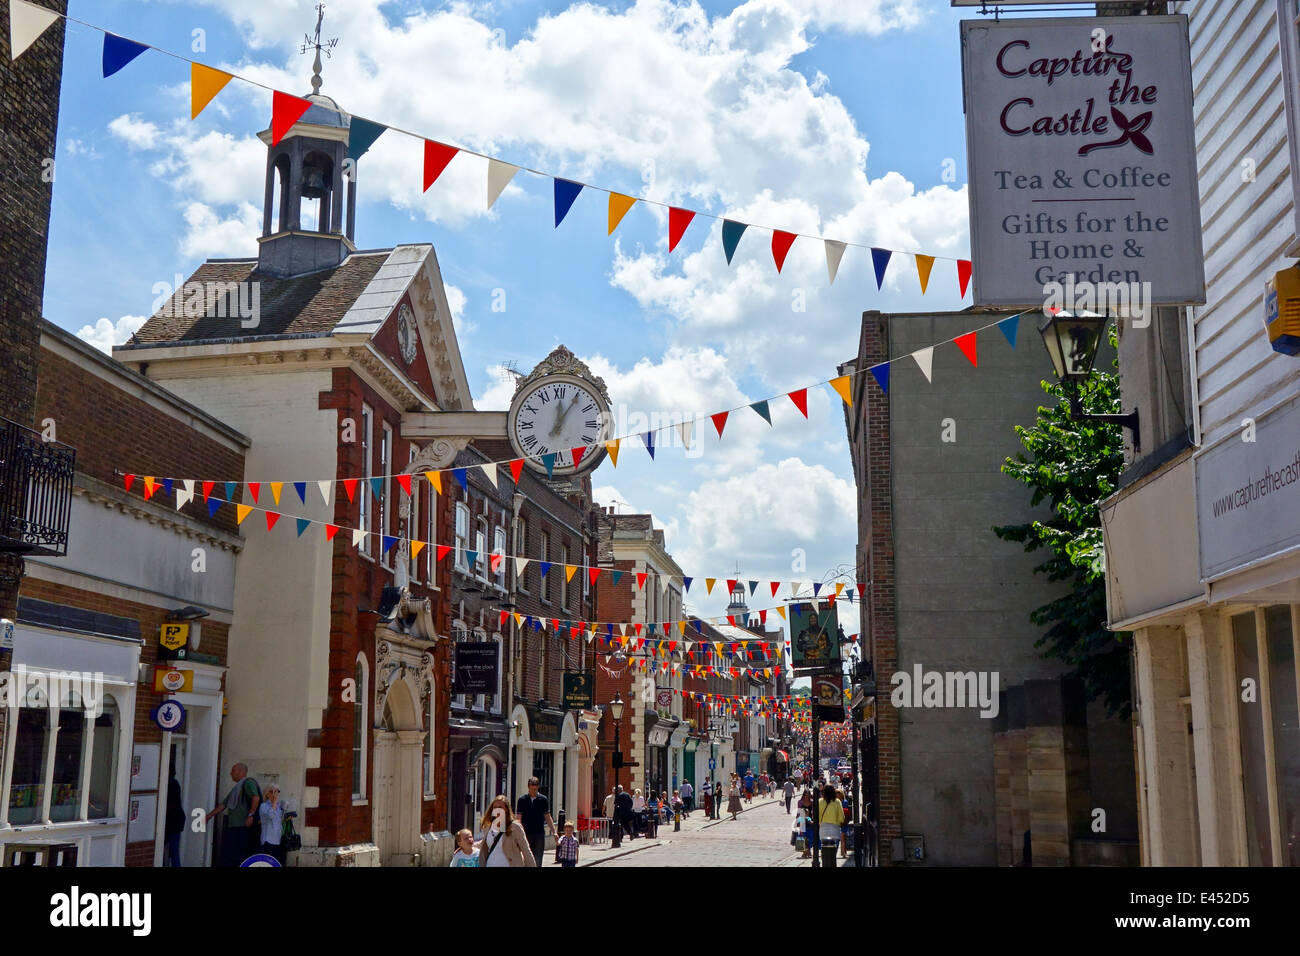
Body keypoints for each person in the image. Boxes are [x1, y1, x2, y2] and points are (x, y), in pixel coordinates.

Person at [205, 762, 261, 867]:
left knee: (240, 856)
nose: (231, 773)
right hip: (233, 827)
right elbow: (224, 804)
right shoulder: (237, 788)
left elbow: (256, 797)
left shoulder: (248, 783)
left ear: (241, 772)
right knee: (231, 856)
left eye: (233, 771)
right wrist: (209, 816)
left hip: (243, 827)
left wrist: (250, 815)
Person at [475, 795, 536, 867]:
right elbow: (485, 843)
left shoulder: (515, 827)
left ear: (506, 809)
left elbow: (526, 850)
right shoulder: (488, 826)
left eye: (500, 807)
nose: (497, 810)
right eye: (495, 807)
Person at [515, 776, 555, 868]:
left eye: (535, 789)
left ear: (538, 787)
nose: (533, 791)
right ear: (528, 787)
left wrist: (554, 832)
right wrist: (517, 833)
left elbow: (547, 816)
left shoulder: (543, 799)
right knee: (525, 859)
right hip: (526, 834)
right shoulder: (522, 800)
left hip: (539, 834)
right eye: (532, 789)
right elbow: (518, 818)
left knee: (537, 859)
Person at [257, 784, 296, 865]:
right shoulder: (263, 806)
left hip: (277, 839)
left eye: (277, 791)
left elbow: (278, 820)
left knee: (276, 863)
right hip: (267, 840)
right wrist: (274, 803)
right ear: (267, 794)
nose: (275, 794)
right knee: (267, 864)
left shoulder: (278, 807)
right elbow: (270, 815)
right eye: (272, 791)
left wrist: (286, 819)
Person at [817, 782, 846, 868]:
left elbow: (817, 817)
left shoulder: (819, 801)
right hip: (834, 830)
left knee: (824, 853)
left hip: (823, 830)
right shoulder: (837, 802)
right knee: (833, 854)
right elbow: (842, 818)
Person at [165, 770, 185, 867]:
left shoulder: (169, 784)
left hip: (172, 821)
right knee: (174, 851)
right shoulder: (175, 783)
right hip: (176, 820)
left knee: (172, 851)